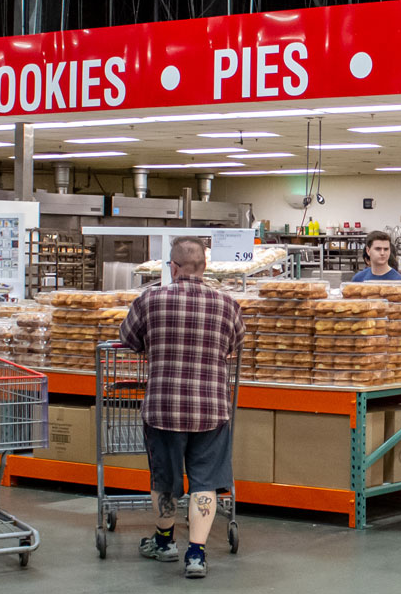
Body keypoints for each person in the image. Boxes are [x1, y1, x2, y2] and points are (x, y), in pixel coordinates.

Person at [118, 236, 245, 579]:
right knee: (205, 481)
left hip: (163, 408)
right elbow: (235, 343)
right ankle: (196, 554)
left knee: (165, 479)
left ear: (173, 268)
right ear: (205, 267)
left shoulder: (150, 300)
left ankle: (164, 543)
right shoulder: (227, 304)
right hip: (211, 408)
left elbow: (129, 338)